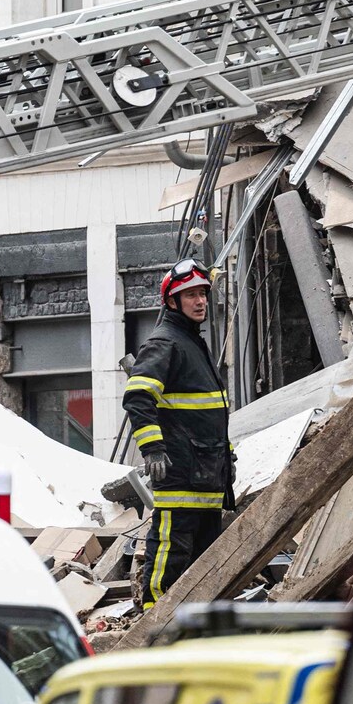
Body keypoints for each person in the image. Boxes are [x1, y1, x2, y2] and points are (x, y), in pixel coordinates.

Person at [123, 260, 235, 608]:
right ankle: (151, 624)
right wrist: (153, 449)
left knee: (204, 571)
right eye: (189, 295)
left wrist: (226, 458)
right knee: (169, 557)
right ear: (171, 302)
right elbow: (138, 397)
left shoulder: (191, 343)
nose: (200, 301)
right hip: (182, 474)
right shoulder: (165, 343)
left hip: (207, 477)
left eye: (202, 293)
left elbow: (207, 414)